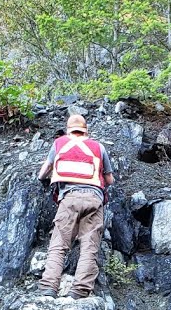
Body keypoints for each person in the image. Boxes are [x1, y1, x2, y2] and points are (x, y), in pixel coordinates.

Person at [35, 113, 115, 299]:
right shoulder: (98, 147)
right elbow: (109, 179)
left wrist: (44, 178)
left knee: (59, 244)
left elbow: (43, 172)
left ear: (68, 128)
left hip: (69, 199)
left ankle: (48, 288)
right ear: (86, 129)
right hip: (94, 200)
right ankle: (79, 291)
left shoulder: (59, 143)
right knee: (89, 246)